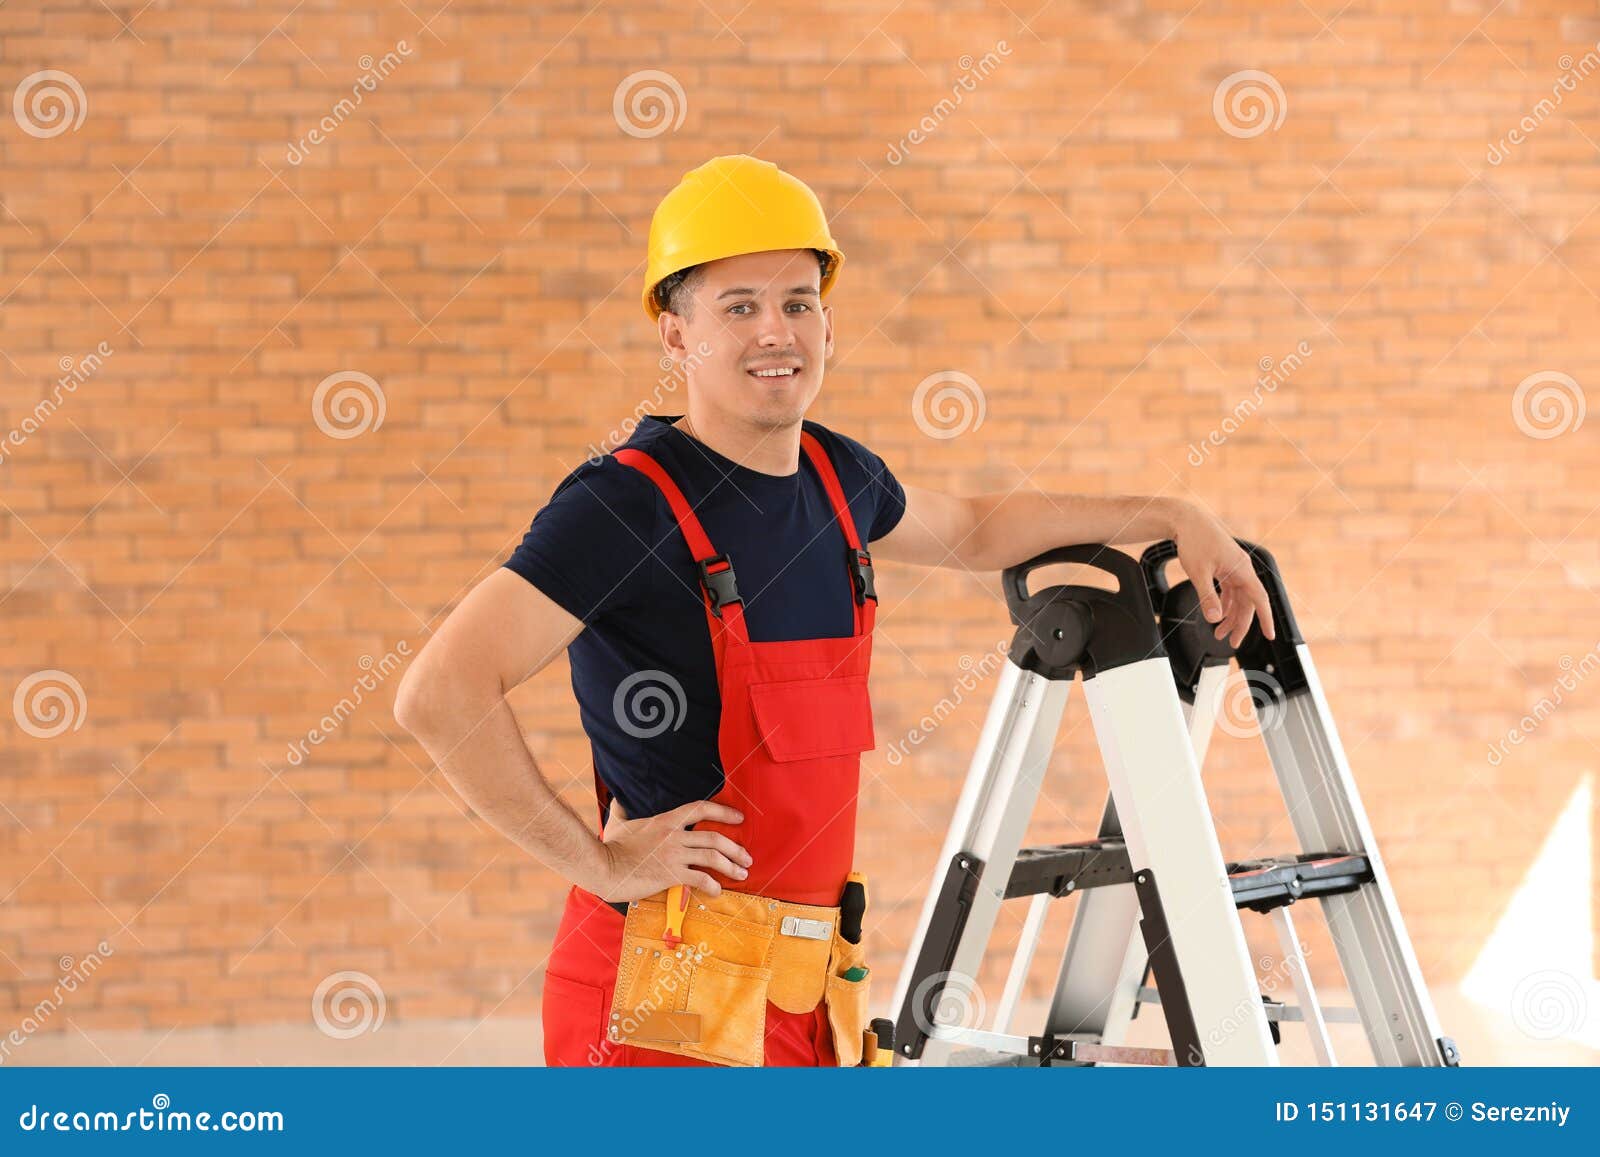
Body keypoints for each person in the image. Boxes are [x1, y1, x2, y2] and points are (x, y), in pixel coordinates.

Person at [393, 154, 1275, 1068]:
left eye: (799, 302)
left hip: (810, 993)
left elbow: (976, 528)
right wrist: (600, 863)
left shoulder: (837, 476)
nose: (777, 332)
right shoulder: (625, 507)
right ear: (675, 334)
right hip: (659, 996)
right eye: (738, 306)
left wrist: (1175, 514)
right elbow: (440, 693)